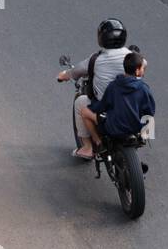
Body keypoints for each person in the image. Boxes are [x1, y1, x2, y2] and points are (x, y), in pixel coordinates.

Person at [56, 19, 135, 160]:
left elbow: (76, 72)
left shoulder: (96, 60)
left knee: (80, 102)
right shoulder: (132, 57)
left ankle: (88, 147)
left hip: (107, 112)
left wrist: (64, 75)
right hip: (131, 107)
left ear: (102, 38)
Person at [80, 51, 156, 151]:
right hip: (136, 128)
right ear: (137, 71)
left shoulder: (114, 86)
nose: (143, 70)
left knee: (84, 112)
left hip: (113, 128)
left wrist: (92, 106)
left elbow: (103, 106)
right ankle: (143, 137)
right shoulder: (144, 88)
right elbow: (150, 111)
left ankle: (98, 142)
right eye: (142, 68)